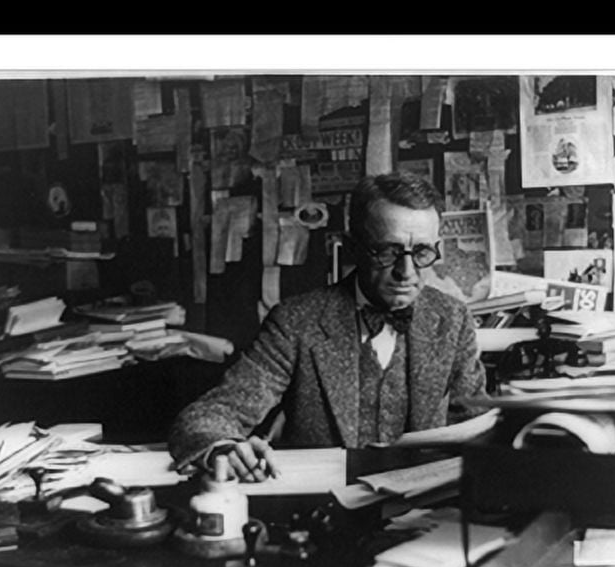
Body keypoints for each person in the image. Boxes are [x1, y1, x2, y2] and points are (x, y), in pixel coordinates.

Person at [168, 172, 488, 481]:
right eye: (388, 252)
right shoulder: (297, 322)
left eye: (421, 252)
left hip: (425, 510)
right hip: (324, 507)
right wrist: (223, 448)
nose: (406, 271)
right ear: (352, 248)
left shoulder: (453, 319)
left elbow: (476, 427)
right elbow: (209, 416)